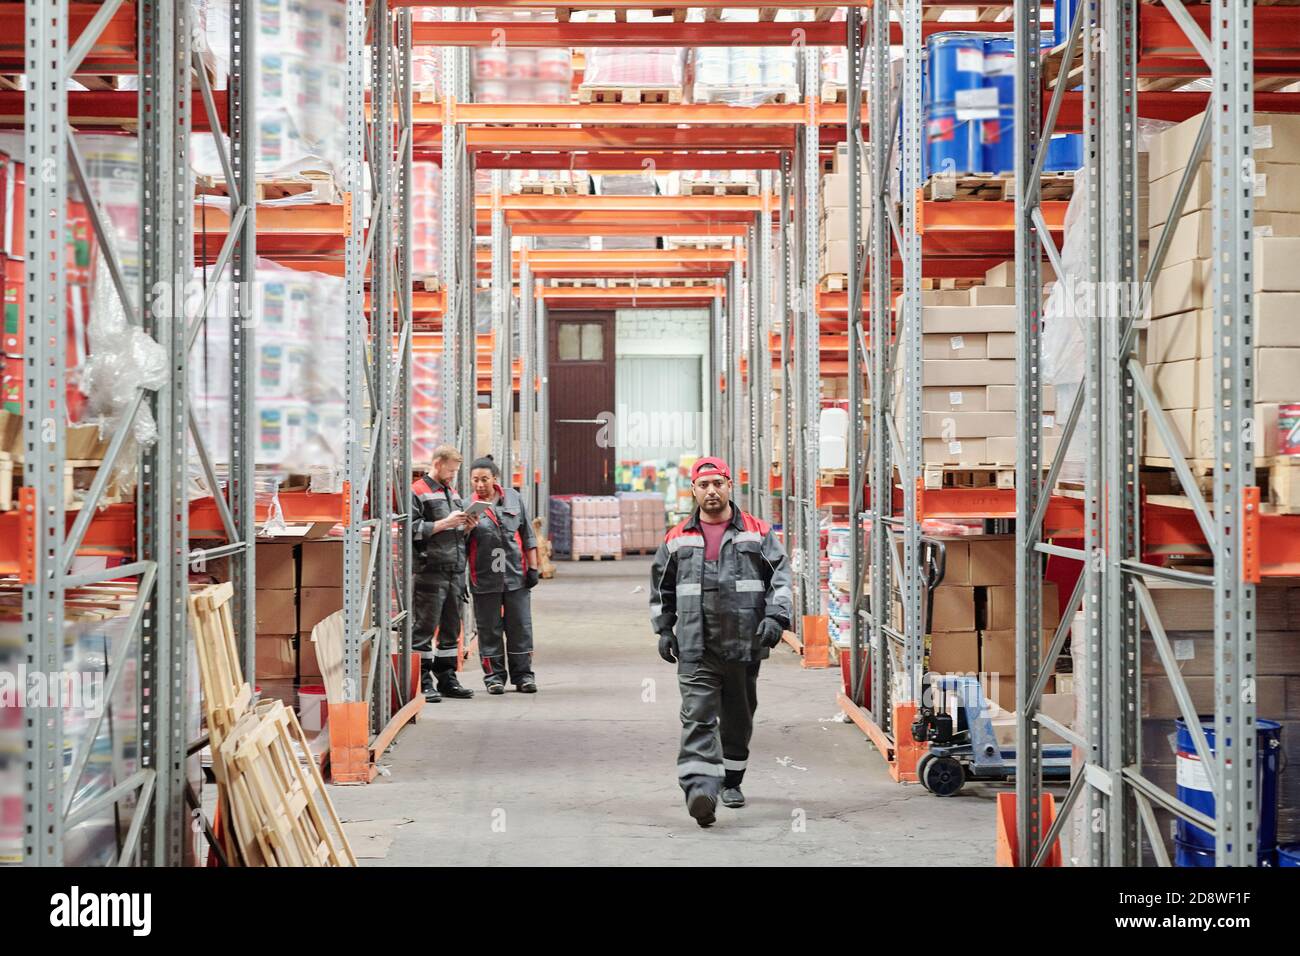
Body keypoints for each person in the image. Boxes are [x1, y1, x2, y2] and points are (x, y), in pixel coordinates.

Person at [649, 456, 793, 828]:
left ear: (730, 485)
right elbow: (661, 587)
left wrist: (776, 617)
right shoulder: (677, 537)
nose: (712, 491)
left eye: (718, 483)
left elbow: (782, 577)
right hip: (696, 645)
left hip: (744, 643)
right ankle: (700, 789)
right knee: (697, 716)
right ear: (694, 491)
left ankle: (732, 780)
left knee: (737, 716)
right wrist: (664, 627)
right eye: (704, 485)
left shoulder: (757, 533)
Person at [466, 456, 541, 694]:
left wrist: (533, 568)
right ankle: (494, 678)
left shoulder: (513, 498)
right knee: (489, 629)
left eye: (484, 479)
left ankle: (524, 676)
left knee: (520, 626)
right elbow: (461, 545)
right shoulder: (467, 506)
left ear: (495, 479)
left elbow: (528, 535)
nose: (480, 485)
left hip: (515, 575)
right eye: (475, 480)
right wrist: (466, 528)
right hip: (485, 577)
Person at [411, 445, 477, 702]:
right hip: (430, 570)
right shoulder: (417, 491)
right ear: (437, 463)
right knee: (424, 627)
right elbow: (411, 529)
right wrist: (445, 523)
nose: (453, 476)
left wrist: (467, 526)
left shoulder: (452, 492)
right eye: (450, 470)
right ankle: (423, 680)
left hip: (455, 569)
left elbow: (455, 533)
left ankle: (447, 676)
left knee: (451, 627)